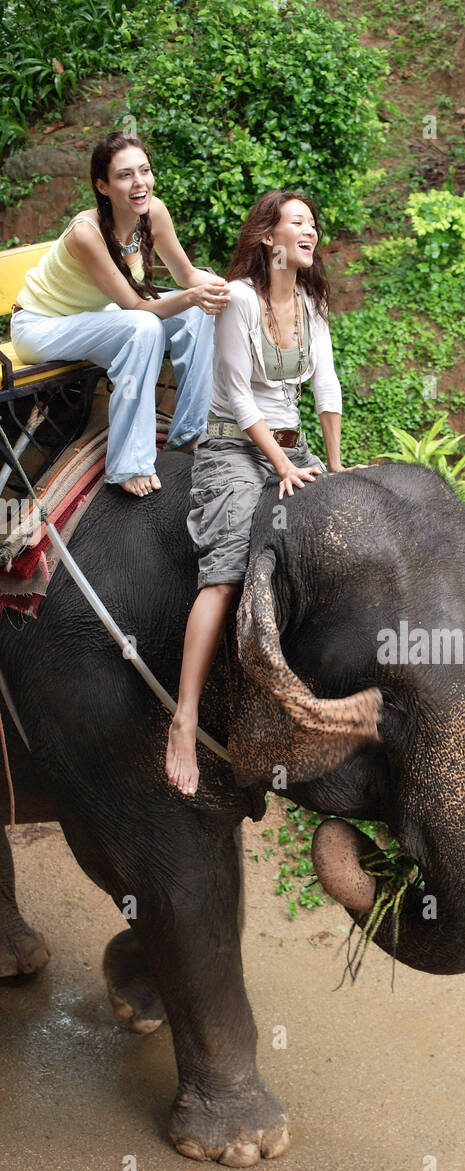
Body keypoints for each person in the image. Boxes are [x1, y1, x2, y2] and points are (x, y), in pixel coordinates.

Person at [165, 190, 345, 795]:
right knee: (224, 575)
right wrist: (281, 468)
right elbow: (239, 397)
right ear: (269, 237)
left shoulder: (312, 305)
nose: (310, 230)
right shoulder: (239, 300)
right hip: (232, 447)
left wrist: (334, 467)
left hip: (290, 448)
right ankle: (185, 718)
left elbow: (326, 389)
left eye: (313, 223)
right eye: (298, 221)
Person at [11, 132, 230, 496]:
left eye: (144, 170)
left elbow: (189, 275)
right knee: (143, 326)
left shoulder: (154, 212)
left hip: (97, 317)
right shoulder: (86, 233)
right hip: (40, 328)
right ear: (103, 185)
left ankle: (191, 433)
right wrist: (192, 295)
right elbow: (137, 308)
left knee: (198, 315)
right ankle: (128, 463)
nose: (139, 182)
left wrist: (230, 291)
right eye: (125, 175)